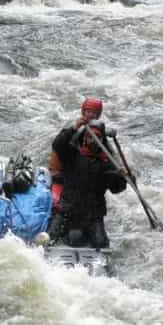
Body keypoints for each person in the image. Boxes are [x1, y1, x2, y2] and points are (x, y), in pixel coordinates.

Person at [47, 97, 127, 248]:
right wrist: (74, 127)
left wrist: (122, 177)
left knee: (101, 243)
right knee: (54, 237)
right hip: (68, 208)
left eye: (97, 138)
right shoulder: (73, 153)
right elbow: (58, 144)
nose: (92, 141)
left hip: (92, 213)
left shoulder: (106, 161)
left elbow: (116, 188)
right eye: (90, 137)